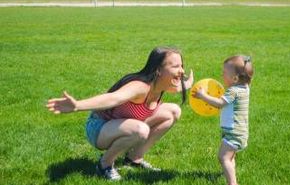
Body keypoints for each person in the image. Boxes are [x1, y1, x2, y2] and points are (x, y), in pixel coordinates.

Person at [47, 47, 194, 181]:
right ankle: (104, 164)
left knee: (173, 111)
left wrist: (188, 84)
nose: (181, 70)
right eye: (175, 66)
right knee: (140, 130)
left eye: (182, 66)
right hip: (99, 128)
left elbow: (179, 88)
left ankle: (133, 159)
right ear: (158, 70)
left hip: (122, 125)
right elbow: (113, 98)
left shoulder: (163, 85)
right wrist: (78, 105)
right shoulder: (140, 87)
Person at [192, 55, 253, 185]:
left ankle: (232, 183)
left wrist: (203, 96)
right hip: (239, 131)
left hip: (234, 132)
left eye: (224, 72)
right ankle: (229, 173)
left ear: (235, 78)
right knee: (230, 156)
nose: (221, 75)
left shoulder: (233, 91)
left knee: (223, 157)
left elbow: (219, 103)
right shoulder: (245, 88)